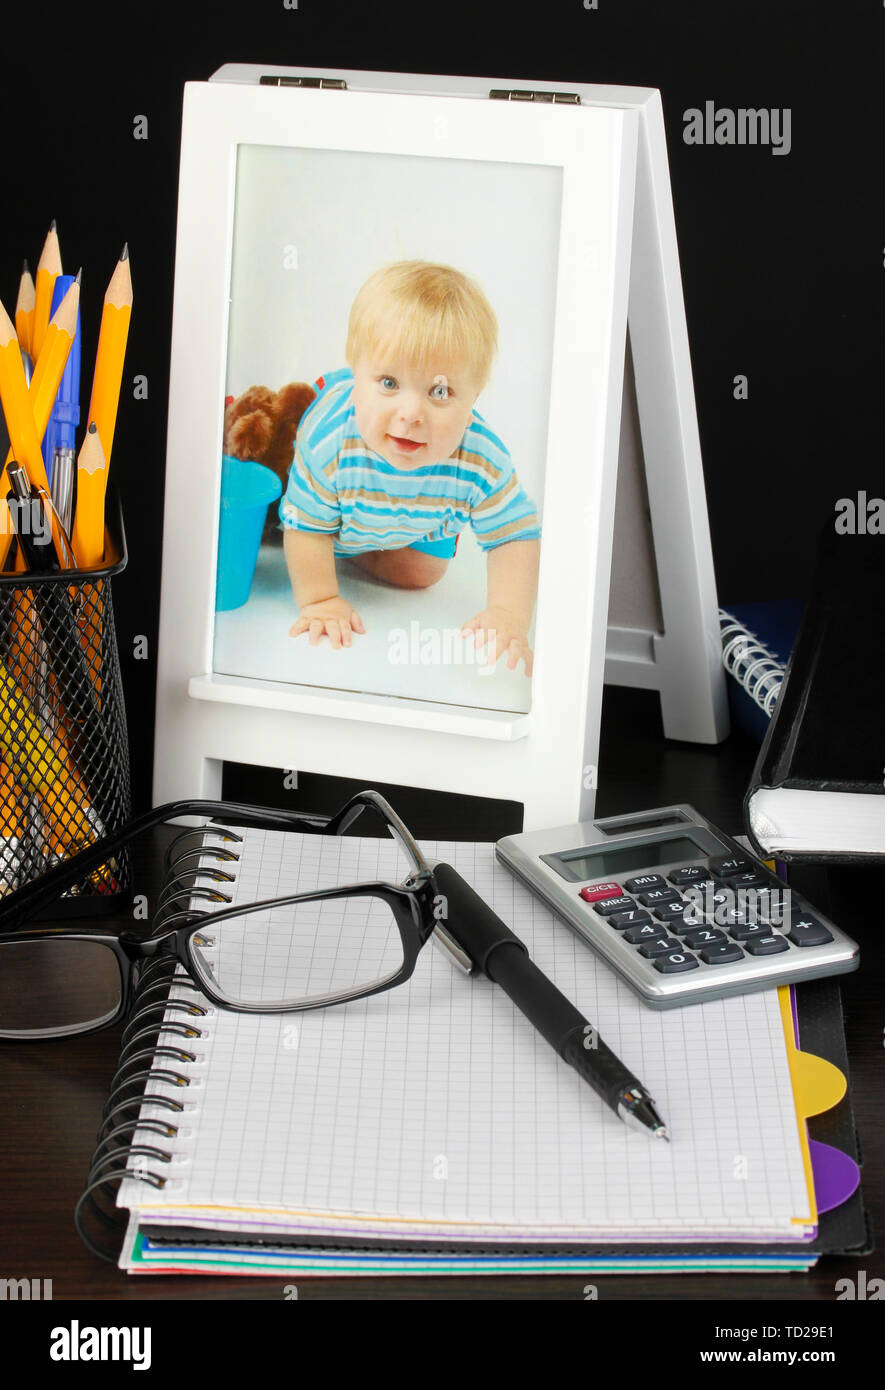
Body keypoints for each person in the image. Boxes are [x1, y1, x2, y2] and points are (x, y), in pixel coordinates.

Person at [280, 261, 541, 673]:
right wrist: (321, 599)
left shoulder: (481, 457)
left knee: (423, 574)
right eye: (388, 383)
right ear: (357, 372)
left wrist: (508, 615)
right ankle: (337, 537)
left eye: (440, 391)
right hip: (330, 491)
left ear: (476, 394)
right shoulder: (328, 441)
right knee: (294, 512)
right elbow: (305, 530)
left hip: (418, 517)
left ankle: (352, 547)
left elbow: (516, 535)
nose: (410, 413)